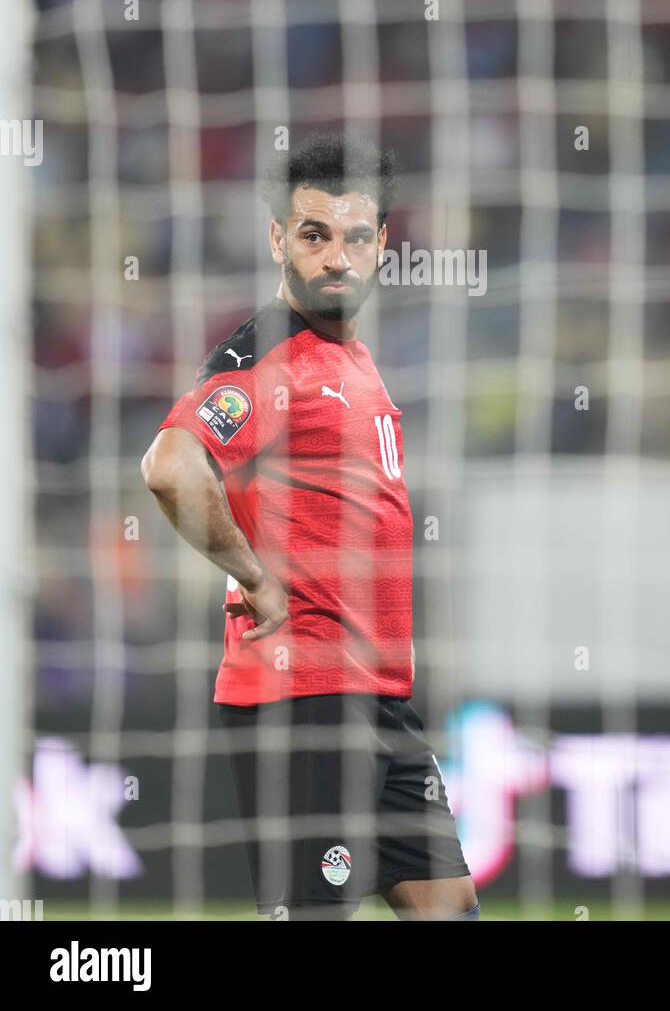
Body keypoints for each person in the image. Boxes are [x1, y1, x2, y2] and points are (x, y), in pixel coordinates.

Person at [141, 133, 478, 921]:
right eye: (314, 234)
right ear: (276, 240)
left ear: (383, 245)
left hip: (378, 700)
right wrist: (255, 576)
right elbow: (169, 465)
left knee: (449, 907)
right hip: (305, 700)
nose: (337, 257)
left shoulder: (352, 357)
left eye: (356, 237)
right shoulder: (268, 355)